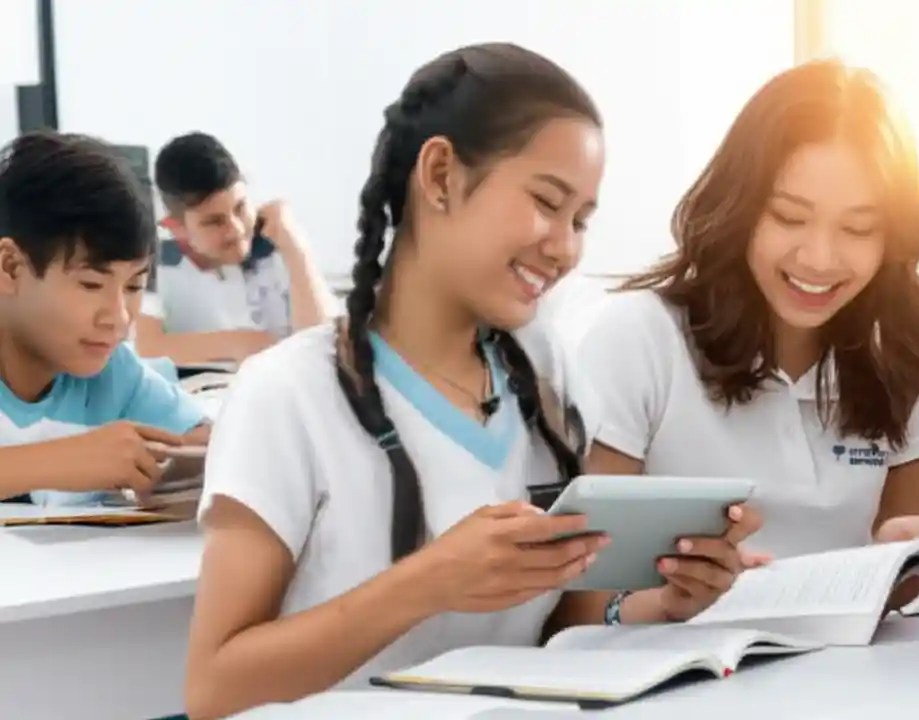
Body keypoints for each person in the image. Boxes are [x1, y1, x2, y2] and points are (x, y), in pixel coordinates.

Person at [183, 44, 758, 719]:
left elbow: (546, 623)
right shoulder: (286, 393)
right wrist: (426, 584)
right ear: (440, 174)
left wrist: (658, 603)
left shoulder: (543, 377)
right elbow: (214, 690)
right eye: (548, 202)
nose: (566, 247)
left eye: (581, 220)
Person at [558, 59, 919, 626]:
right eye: (788, 217)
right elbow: (572, 604)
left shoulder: (899, 355)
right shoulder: (641, 338)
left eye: (857, 229)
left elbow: (908, 601)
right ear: (742, 205)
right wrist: (666, 604)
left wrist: (911, 569)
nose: (818, 259)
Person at [0, 132, 208, 506]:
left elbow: (199, 442)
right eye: (91, 284)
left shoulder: (114, 375)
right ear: (11, 267)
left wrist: (191, 462)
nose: (117, 318)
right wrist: (57, 461)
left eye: (133, 286)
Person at [135, 132, 337, 366]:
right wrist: (238, 343)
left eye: (240, 207)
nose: (237, 230)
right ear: (176, 227)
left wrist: (296, 247)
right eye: (214, 222)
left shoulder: (278, 243)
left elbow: (323, 343)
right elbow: (147, 346)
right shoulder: (157, 264)